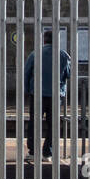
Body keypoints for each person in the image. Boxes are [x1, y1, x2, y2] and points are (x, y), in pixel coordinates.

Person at [24, 31, 72, 159]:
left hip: (37, 93)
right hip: (56, 95)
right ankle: (47, 152)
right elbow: (69, 74)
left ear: (44, 40)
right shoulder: (63, 55)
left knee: (34, 122)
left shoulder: (35, 54)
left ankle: (33, 152)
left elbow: (26, 73)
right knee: (53, 124)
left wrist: (28, 90)